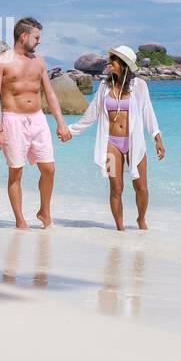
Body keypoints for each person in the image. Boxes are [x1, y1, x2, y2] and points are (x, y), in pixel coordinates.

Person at [67, 45, 165, 230]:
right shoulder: (105, 86)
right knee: (116, 188)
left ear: (123, 64)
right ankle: (120, 229)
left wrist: (156, 137)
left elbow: (148, 112)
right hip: (112, 143)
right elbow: (92, 113)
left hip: (135, 143)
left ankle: (141, 219)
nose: (108, 62)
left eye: (112, 59)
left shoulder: (140, 86)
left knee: (141, 188)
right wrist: (71, 131)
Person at [0, 17, 72, 229]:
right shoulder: (1, 62)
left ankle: (44, 211)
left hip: (38, 119)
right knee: (16, 171)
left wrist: (60, 123)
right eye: (36, 37)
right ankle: (20, 221)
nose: (39, 41)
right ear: (23, 36)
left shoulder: (39, 62)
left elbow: (50, 94)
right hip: (13, 121)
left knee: (49, 169)